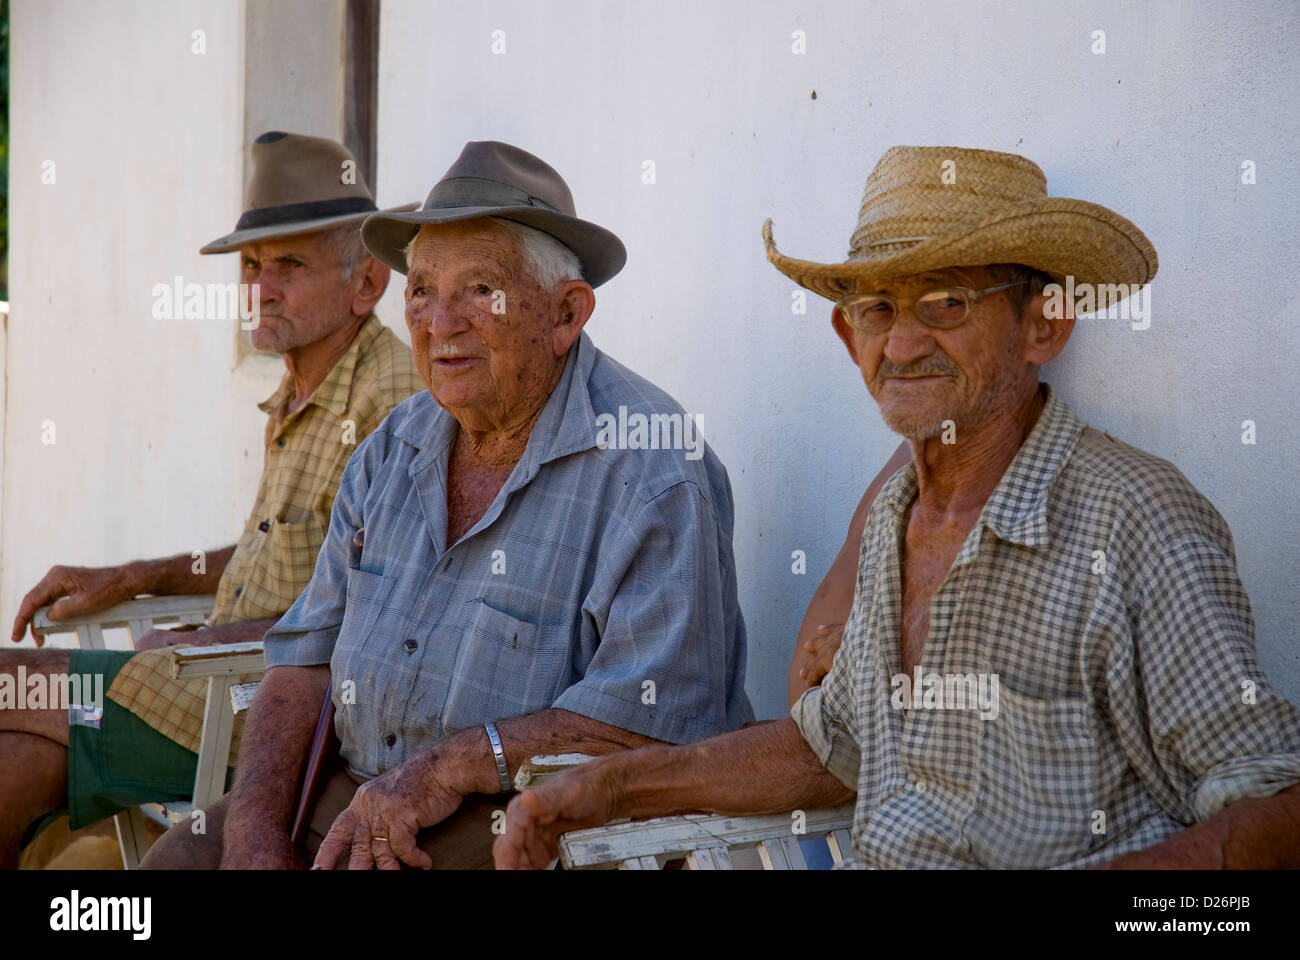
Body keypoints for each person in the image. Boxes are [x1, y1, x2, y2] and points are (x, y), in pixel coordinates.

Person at [494, 145, 1300, 870]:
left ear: (1044, 326)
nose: (904, 344)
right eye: (878, 308)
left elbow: (1278, 806)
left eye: (948, 303)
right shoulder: (896, 518)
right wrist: (611, 788)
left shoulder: (1136, 521)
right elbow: (830, 747)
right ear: (850, 338)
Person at [140, 141, 755, 870]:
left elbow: (660, 725)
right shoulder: (392, 448)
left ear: (566, 314)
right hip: (358, 793)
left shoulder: (652, 471)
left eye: (480, 290)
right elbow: (304, 659)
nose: (440, 323)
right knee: (180, 862)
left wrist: (452, 766)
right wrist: (254, 832)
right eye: (423, 291)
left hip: (544, 826)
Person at [1, 131, 423, 868]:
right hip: (206, 685)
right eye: (252, 265)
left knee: (10, 684)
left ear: (367, 283)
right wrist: (132, 578)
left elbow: (380, 615)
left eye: (290, 264)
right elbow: (287, 552)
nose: (261, 287)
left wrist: (210, 642)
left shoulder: (389, 401)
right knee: (18, 762)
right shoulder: (304, 383)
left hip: (259, 715)